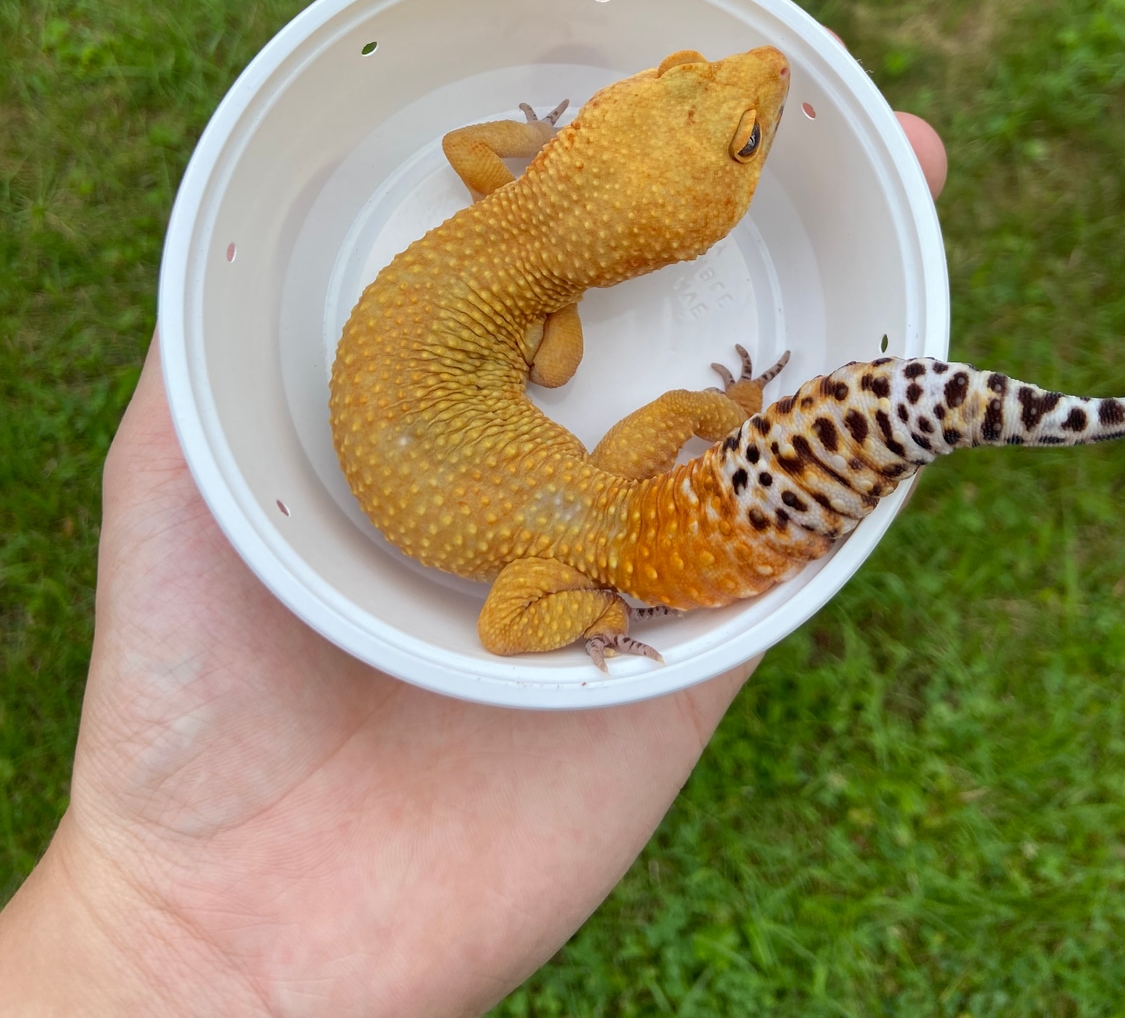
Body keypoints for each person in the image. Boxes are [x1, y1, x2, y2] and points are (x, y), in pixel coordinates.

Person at [0, 118, 947, 1017]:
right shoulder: (569, 360)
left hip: (515, 488)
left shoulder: (522, 224)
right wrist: (718, 419)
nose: (763, 79)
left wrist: (598, 610)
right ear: (661, 245)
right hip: (551, 502)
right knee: (643, 457)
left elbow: (509, 597)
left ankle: (755, 432)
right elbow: (506, 601)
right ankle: (755, 416)